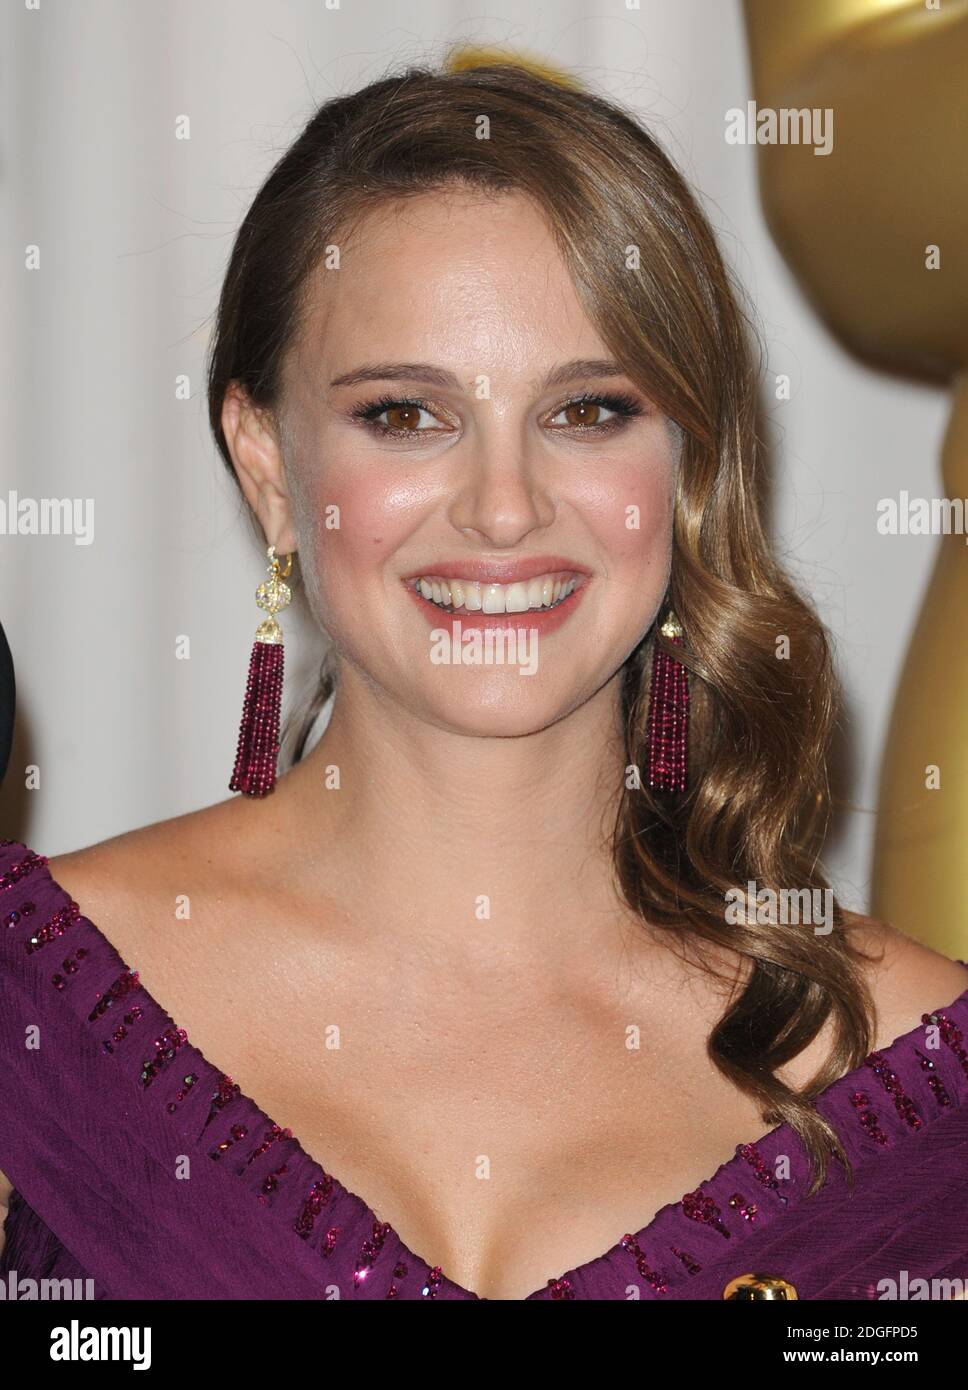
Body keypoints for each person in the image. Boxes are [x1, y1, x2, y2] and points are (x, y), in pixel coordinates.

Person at [1, 59, 966, 1303]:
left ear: (684, 464)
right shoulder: (36, 1014)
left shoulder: (914, 1073)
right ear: (265, 466)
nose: (503, 509)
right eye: (405, 415)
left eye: (589, 409)